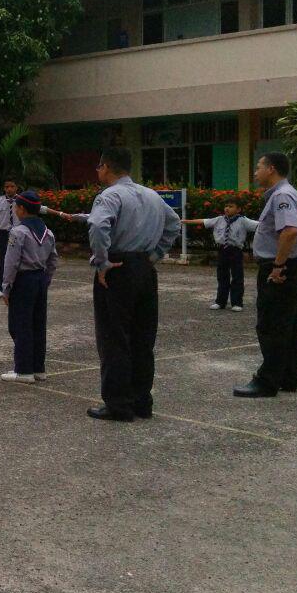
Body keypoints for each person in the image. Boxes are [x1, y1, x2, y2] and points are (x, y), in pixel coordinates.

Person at [86, 147, 180, 422]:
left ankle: (118, 403)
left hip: (118, 266)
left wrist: (101, 261)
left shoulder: (110, 195)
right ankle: (141, 400)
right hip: (144, 267)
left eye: (98, 167)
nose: (97, 171)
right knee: (142, 337)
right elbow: (174, 223)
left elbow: (98, 226)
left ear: (106, 166)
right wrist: (155, 255)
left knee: (114, 337)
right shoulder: (151, 195)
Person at [234, 152, 297, 398]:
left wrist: (277, 266)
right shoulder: (285, 194)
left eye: (258, 167)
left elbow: (289, 232)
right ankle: (287, 376)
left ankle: (267, 381)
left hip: (280, 267)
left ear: (271, 169)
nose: (255, 172)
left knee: (271, 324)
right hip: (291, 264)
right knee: (287, 324)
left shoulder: (282, 195)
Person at [1, 191, 59, 383]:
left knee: (20, 325)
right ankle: (38, 368)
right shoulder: (47, 232)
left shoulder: (18, 232)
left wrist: (6, 287)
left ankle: (24, 370)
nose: (15, 210)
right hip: (40, 278)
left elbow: (11, 263)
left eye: (16, 207)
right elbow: (53, 260)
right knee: (38, 324)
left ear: (22, 209)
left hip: (24, 280)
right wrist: (46, 281)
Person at [181, 200, 258, 312]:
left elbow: (260, 225)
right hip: (222, 249)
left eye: (231, 206)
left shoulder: (243, 221)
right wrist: (185, 221)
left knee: (237, 276)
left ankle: (237, 302)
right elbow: (204, 221)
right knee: (222, 276)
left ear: (238, 209)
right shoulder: (219, 219)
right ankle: (220, 301)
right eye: (226, 206)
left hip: (235, 250)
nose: (227, 208)